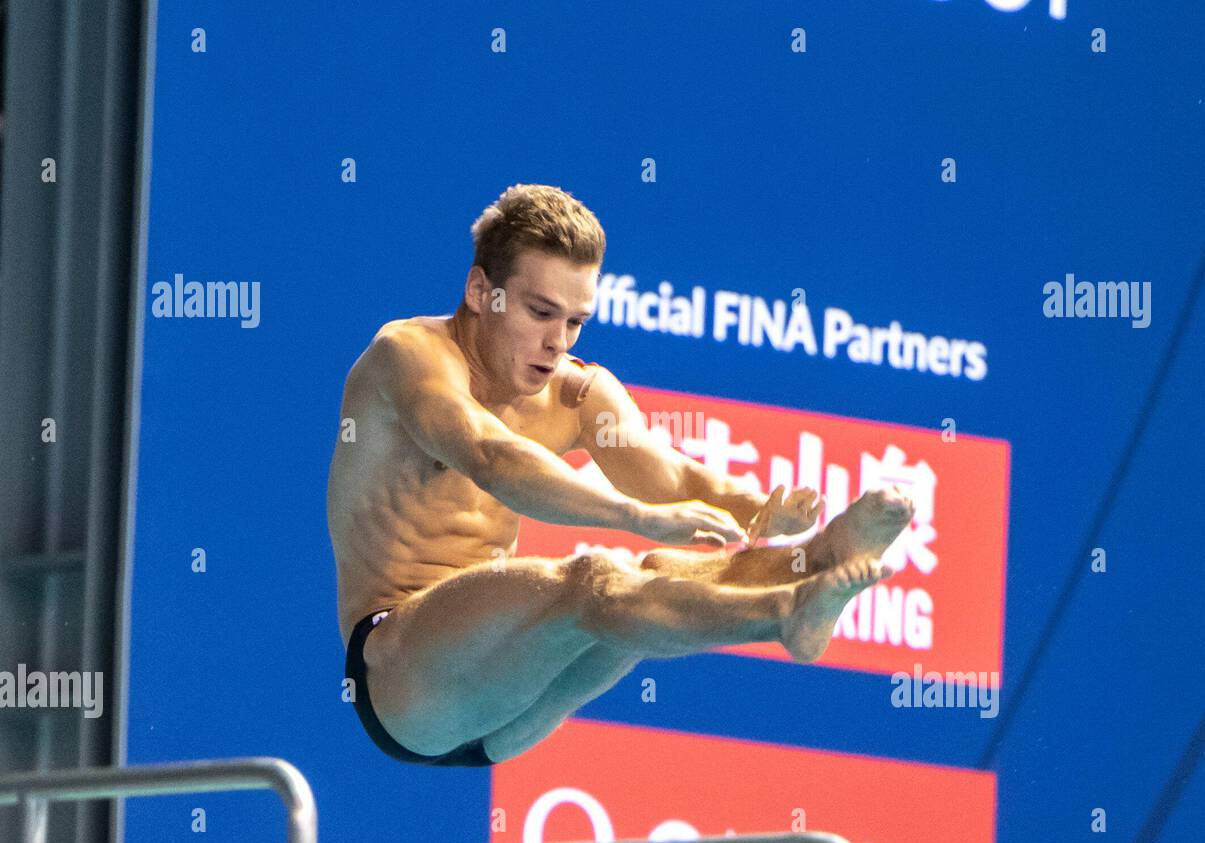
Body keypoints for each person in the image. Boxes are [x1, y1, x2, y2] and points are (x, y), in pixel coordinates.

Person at [326, 184, 914, 767]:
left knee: (651, 577)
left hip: (507, 705)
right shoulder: (408, 357)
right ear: (482, 291)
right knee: (595, 576)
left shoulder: (577, 393)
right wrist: (633, 516)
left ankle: (810, 560)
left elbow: (669, 475)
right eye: (540, 312)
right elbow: (489, 455)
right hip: (401, 679)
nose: (557, 343)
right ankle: (786, 613)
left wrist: (756, 508)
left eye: (577, 321)